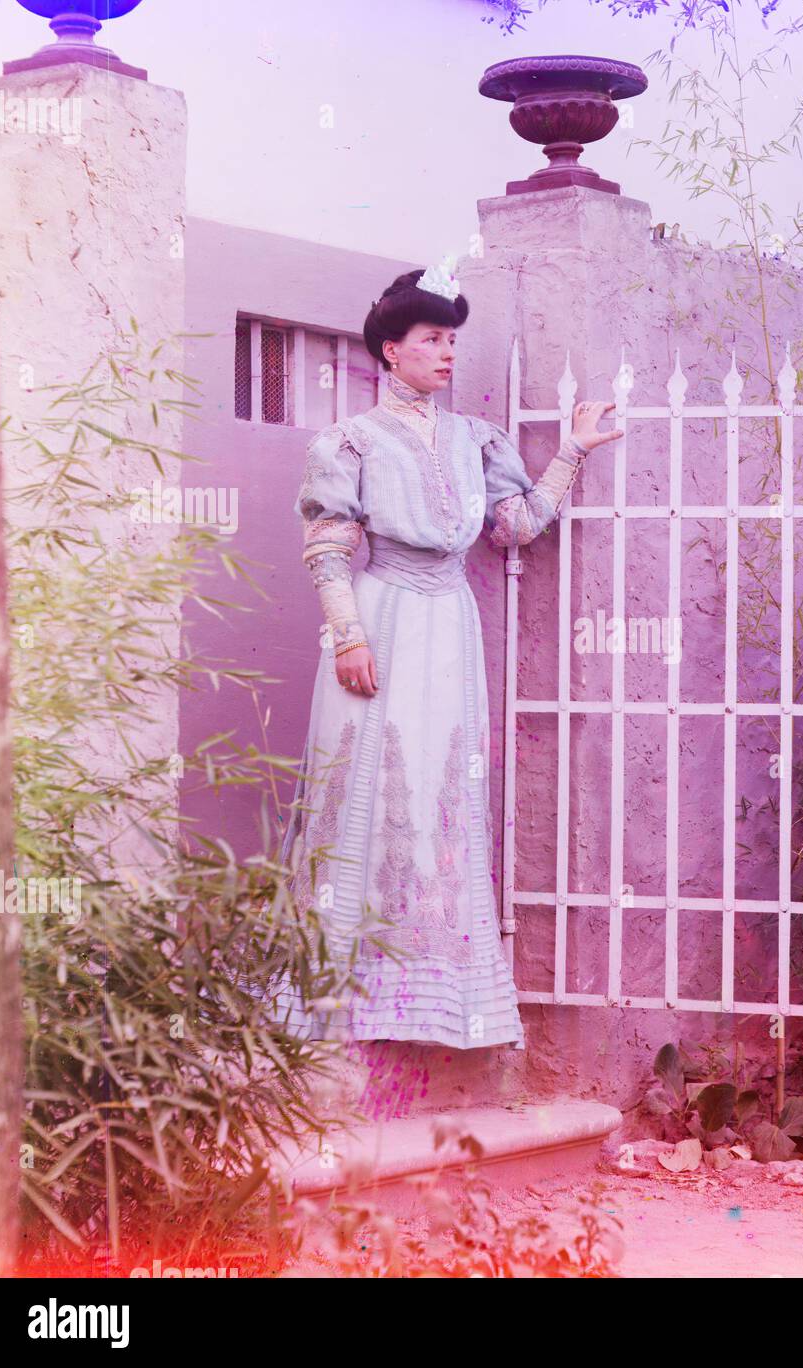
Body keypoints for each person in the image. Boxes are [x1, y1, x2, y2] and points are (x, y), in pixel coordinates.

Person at [278, 258, 622, 1049]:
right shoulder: (350, 442)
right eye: (432, 339)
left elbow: (516, 528)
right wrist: (348, 637)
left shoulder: (475, 441)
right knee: (364, 789)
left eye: (453, 340)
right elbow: (328, 547)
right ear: (391, 349)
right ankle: (333, 997)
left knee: (441, 789)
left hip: (450, 627)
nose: (447, 353)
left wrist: (572, 451)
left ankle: (431, 994)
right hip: (380, 621)